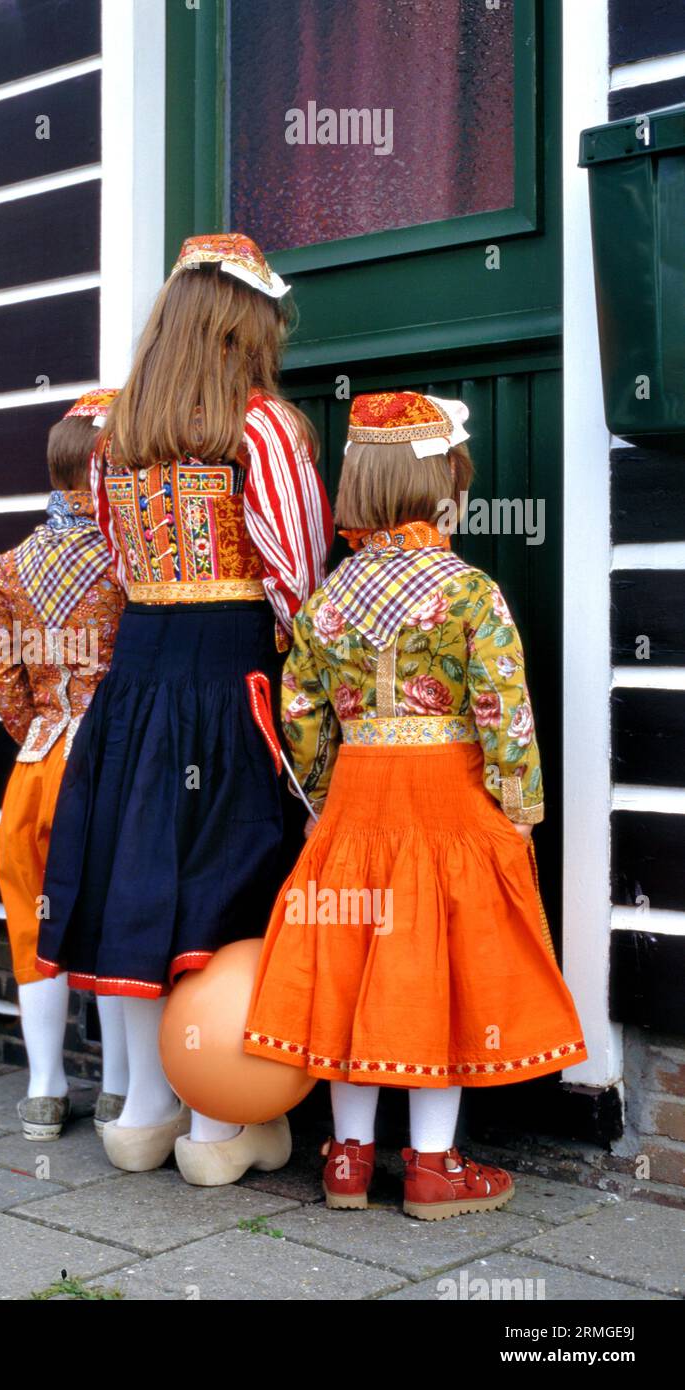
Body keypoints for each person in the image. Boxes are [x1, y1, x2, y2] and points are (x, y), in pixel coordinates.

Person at [243, 389, 588, 1219]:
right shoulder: (471, 592)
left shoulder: (325, 601)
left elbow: (298, 713)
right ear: (444, 485)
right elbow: (506, 710)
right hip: (450, 805)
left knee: (353, 966)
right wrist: (520, 806)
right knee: (442, 968)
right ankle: (433, 1165)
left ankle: (347, 1161)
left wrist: (325, 796)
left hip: (358, 805)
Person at [35, 234, 334, 1185]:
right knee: (227, 881)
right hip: (230, 670)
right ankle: (217, 1121)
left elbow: (122, 566)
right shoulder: (263, 428)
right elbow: (298, 579)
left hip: (139, 675)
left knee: (141, 880)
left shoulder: (114, 441)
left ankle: (142, 1113)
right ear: (243, 322)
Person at [0, 389, 128, 1140]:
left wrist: (35, 729)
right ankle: (120, 1089)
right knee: (114, 915)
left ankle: (43, 1088)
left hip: (37, 766)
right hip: (111, 763)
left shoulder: (12, 565)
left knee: (31, 915)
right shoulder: (129, 560)